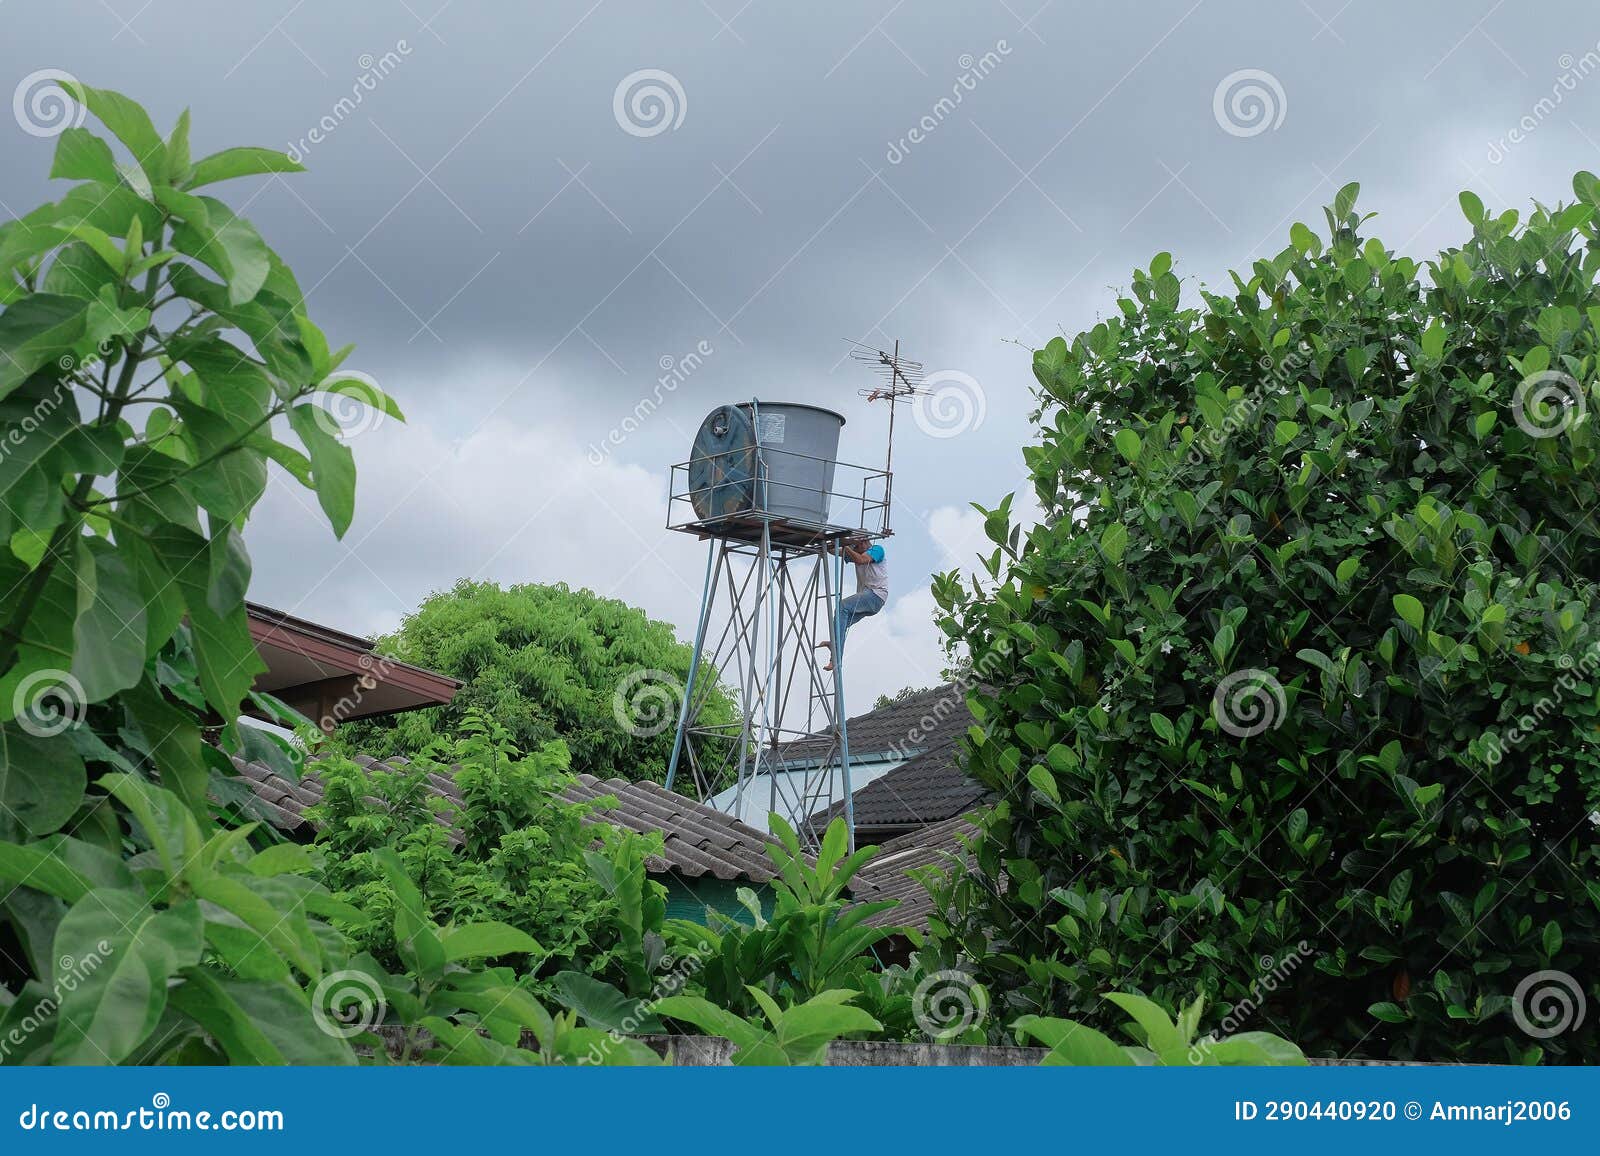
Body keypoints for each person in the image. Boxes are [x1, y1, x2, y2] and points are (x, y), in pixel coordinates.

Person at [817, 537, 887, 671]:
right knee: (840, 622)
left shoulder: (877, 550)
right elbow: (837, 551)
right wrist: (828, 543)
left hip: (875, 595)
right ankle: (835, 644)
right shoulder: (857, 552)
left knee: (842, 607)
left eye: (856, 546)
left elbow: (861, 560)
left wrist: (846, 546)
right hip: (870, 599)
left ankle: (836, 659)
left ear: (864, 542)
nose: (855, 549)